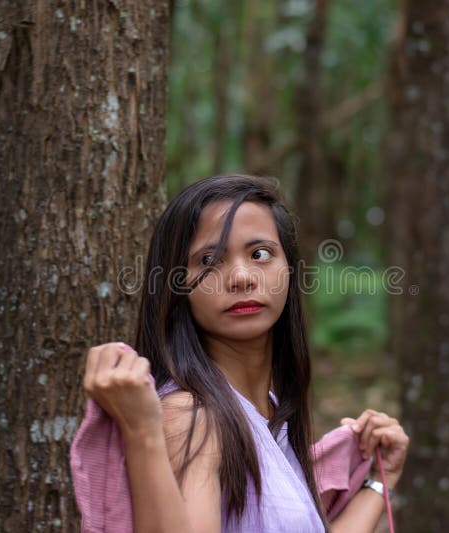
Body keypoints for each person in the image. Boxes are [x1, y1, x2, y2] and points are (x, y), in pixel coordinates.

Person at [82, 174, 409, 532]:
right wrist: (142, 431)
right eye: (209, 260)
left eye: (261, 254)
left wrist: (380, 480)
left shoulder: (272, 416)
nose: (240, 277)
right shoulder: (191, 418)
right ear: (176, 285)